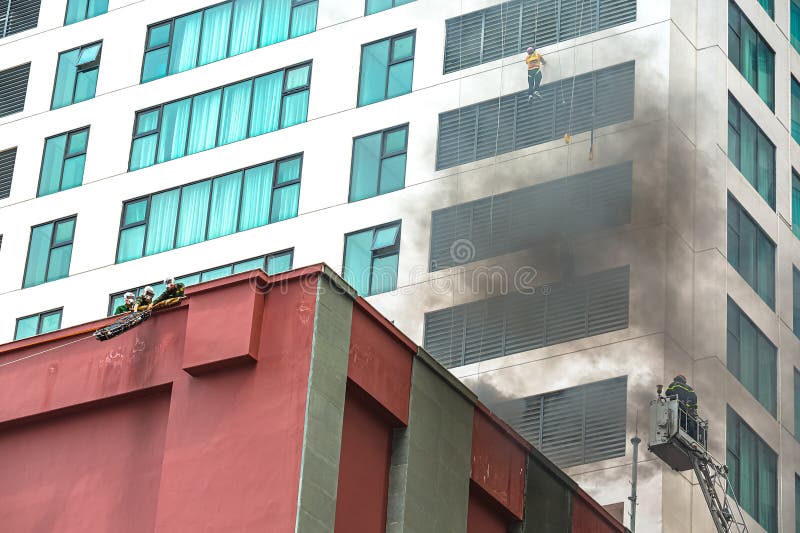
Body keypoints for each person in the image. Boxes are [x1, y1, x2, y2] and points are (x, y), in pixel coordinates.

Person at [666, 374, 699, 441]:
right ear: (684, 380)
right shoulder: (689, 388)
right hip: (685, 409)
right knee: (686, 422)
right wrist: (692, 407)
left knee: (677, 420)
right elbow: (694, 398)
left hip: (675, 407)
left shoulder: (673, 384)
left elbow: (668, 393)